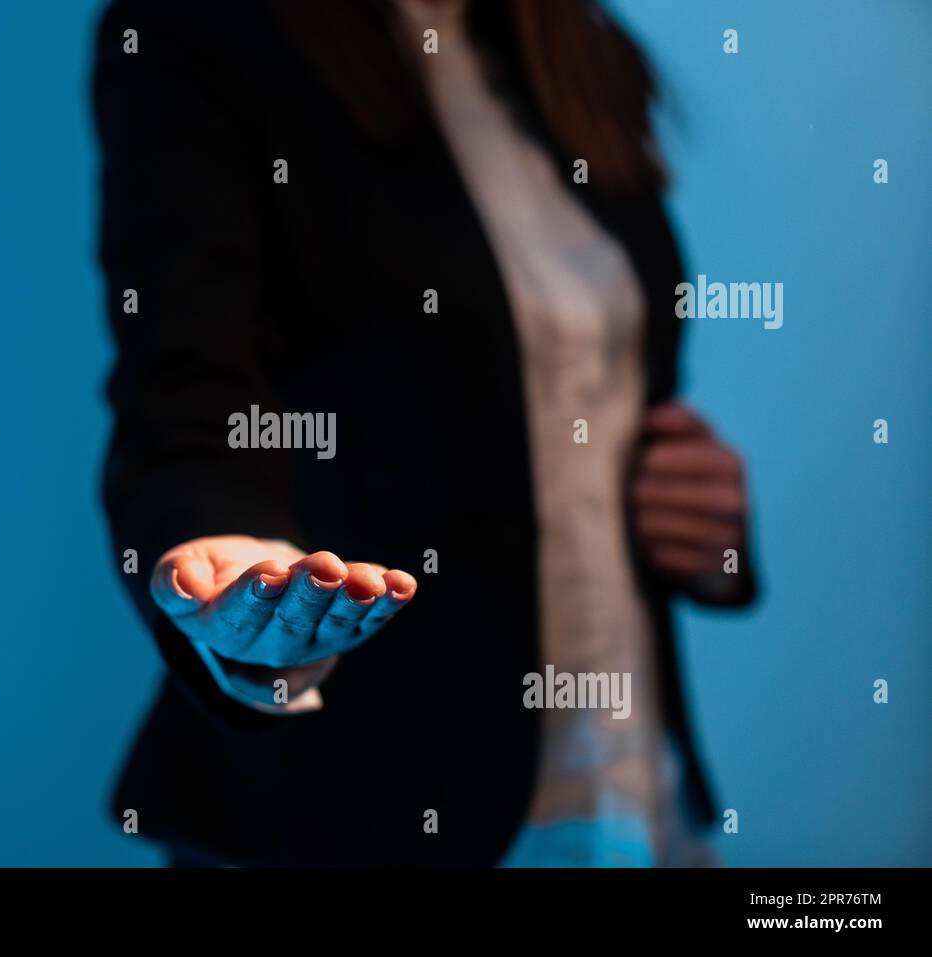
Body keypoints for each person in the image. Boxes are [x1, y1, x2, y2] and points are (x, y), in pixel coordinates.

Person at [93, 0, 757, 866]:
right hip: (364, 808)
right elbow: (186, 396)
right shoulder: (199, 33)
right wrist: (231, 571)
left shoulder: (580, 52)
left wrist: (708, 529)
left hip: (633, 790)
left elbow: (596, 406)